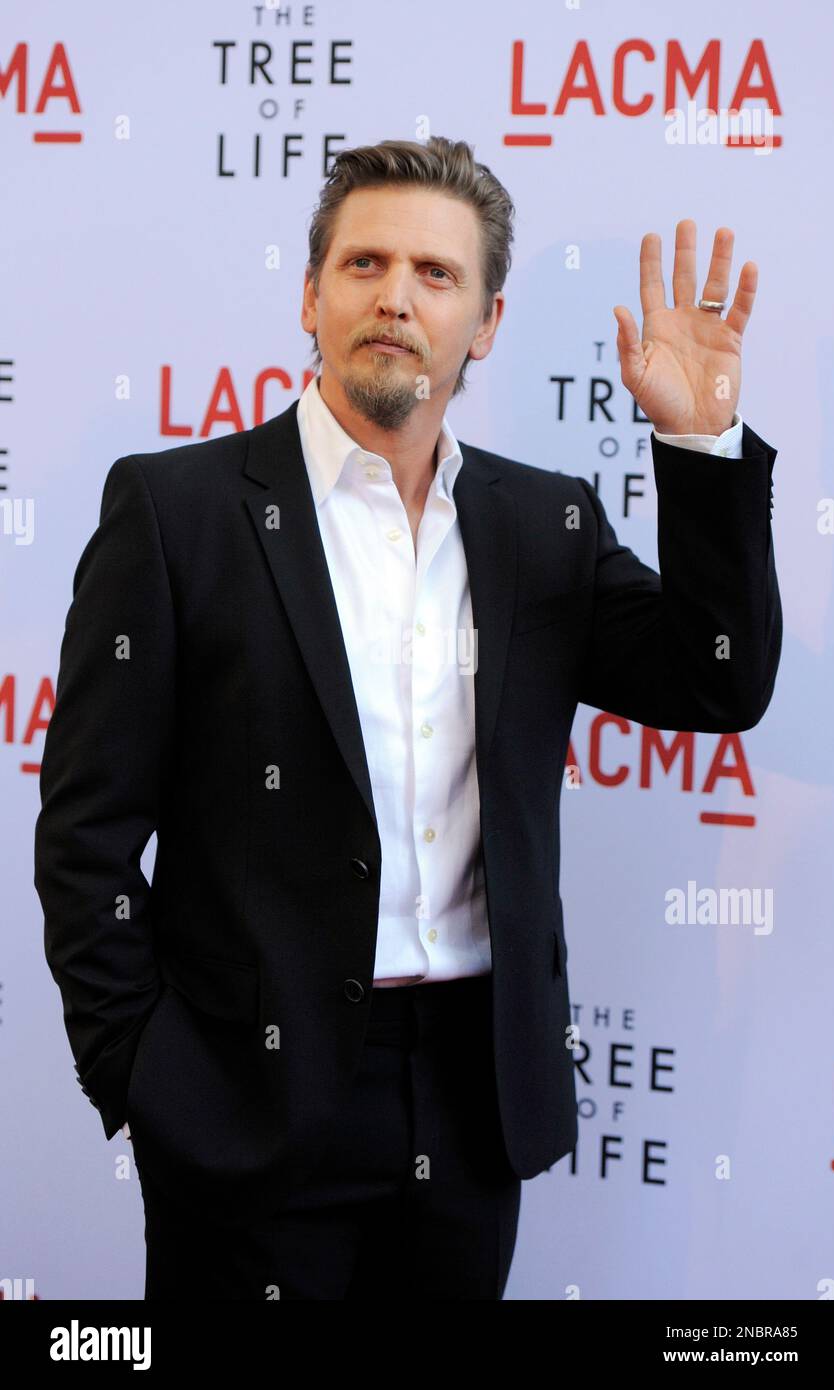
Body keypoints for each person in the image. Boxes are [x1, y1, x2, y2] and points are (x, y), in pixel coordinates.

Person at [33, 136, 781, 1300]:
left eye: (435, 274)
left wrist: (695, 445)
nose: (394, 296)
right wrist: (143, 1070)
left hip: (474, 1097)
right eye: (363, 262)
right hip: (247, 1102)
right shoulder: (177, 513)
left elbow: (717, 679)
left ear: (483, 323)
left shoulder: (545, 525)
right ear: (309, 295)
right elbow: (85, 832)